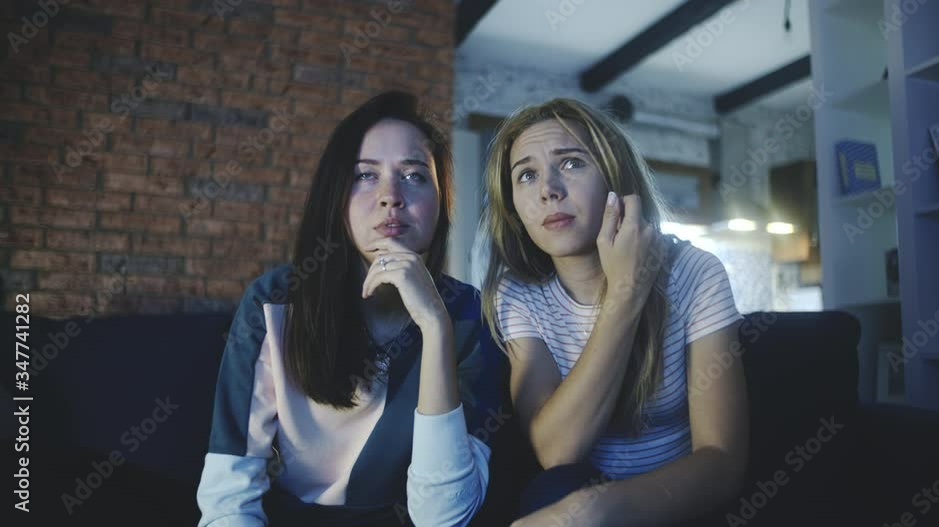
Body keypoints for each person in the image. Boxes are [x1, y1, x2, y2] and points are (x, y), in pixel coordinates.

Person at [195, 91, 506, 527]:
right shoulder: (274, 301)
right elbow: (229, 501)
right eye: (365, 175)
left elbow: (444, 517)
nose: (391, 196)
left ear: (441, 203)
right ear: (336, 196)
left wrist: (435, 325)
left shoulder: (472, 316)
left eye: (414, 175)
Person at [479, 98, 750, 526]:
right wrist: (625, 295)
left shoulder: (695, 272)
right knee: (555, 488)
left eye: (571, 163)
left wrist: (599, 509)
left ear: (615, 178)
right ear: (514, 208)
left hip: (676, 507)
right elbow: (557, 452)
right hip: (573, 494)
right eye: (527, 175)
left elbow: (722, 463)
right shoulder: (517, 295)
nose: (548, 189)